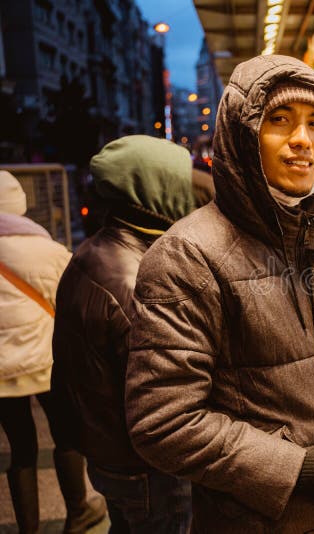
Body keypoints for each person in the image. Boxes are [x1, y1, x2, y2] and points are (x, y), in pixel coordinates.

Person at [124, 54, 314, 533]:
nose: (303, 140)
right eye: (279, 120)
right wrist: (300, 469)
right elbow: (164, 422)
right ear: (241, 135)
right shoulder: (188, 256)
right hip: (260, 520)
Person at [50, 136, 196, 533]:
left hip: (110, 453)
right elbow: (168, 399)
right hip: (149, 469)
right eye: (181, 182)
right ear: (154, 189)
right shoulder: (137, 280)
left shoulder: (95, 249)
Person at [0, 170, 107, 533]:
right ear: (20, 205)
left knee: (22, 447)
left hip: (1, 373)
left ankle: (28, 528)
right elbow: (72, 299)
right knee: (65, 433)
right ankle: (79, 511)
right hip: (46, 362)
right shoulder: (47, 250)